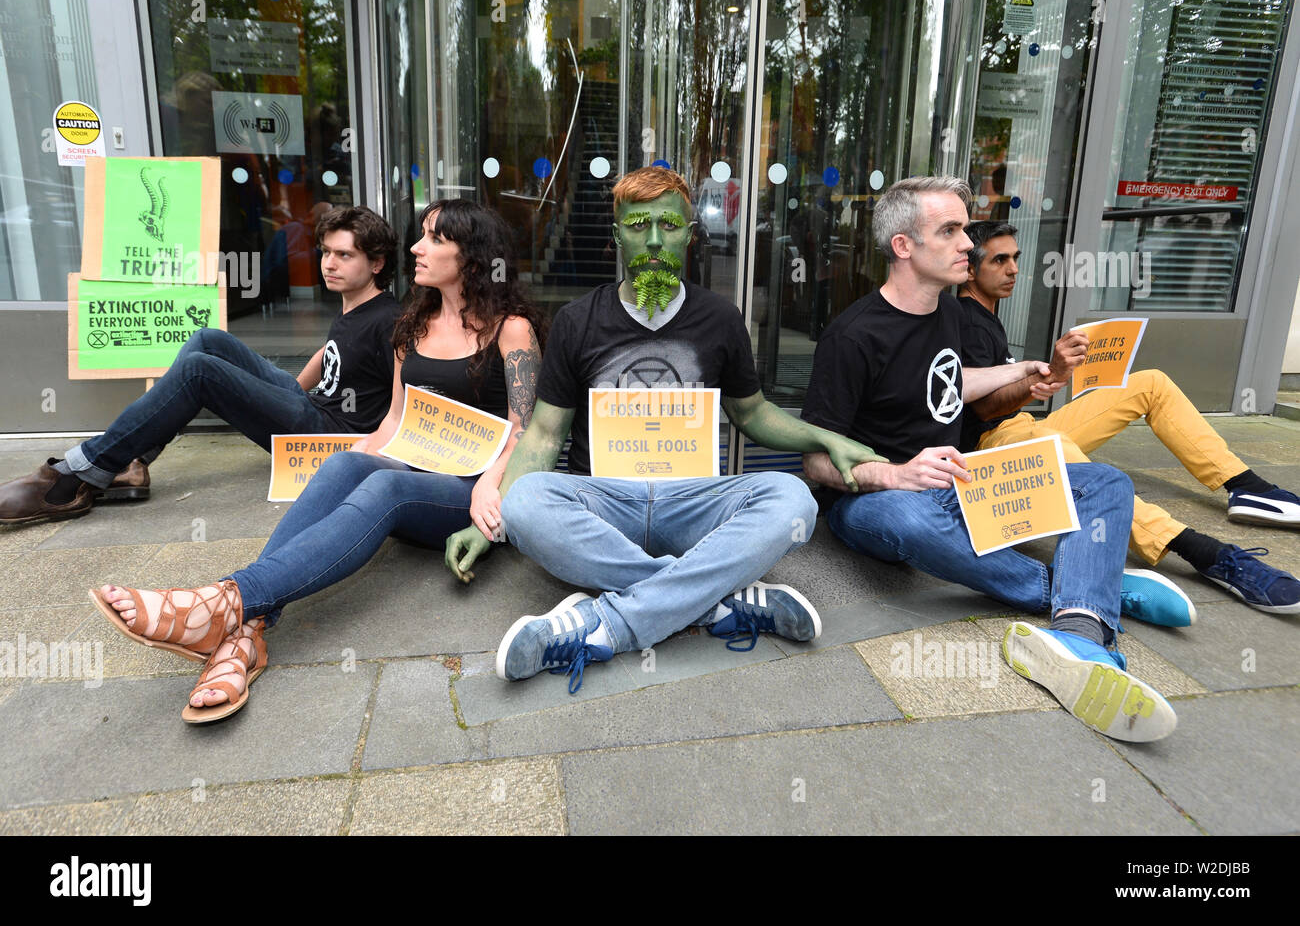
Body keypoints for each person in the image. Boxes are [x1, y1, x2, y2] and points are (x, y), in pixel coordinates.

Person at [90, 200, 544, 723]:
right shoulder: (412, 326)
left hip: (469, 494)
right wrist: (344, 461)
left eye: (434, 239)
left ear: (473, 256)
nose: (416, 248)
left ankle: (218, 608)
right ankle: (244, 633)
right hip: (414, 467)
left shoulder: (511, 329)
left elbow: (523, 429)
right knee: (348, 467)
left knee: (385, 489)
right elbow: (393, 424)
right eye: (420, 235)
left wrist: (492, 485)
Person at [444, 166, 882, 692]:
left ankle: (601, 623)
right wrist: (489, 523)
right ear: (616, 236)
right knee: (526, 502)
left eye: (670, 226)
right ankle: (714, 600)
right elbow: (542, 436)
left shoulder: (721, 319)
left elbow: (753, 414)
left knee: (792, 499)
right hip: (606, 504)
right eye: (638, 225)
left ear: (690, 235)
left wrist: (823, 437)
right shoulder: (577, 321)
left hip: (692, 502)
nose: (654, 241)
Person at [801, 175, 1196, 743]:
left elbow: (945, 382)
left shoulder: (949, 313)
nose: (968, 243)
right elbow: (815, 461)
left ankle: (1078, 635)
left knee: (1105, 482)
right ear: (904, 246)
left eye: (965, 228)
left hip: (964, 482)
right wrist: (895, 473)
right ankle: (1085, 594)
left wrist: (1022, 369)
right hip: (876, 499)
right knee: (907, 518)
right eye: (951, 230)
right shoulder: (853, 337)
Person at [959, 221, 1299, 615]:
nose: (1014, 268)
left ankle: (1246, 486)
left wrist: (1057, 372)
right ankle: (1208, 553)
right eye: (999, 260)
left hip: (1022, 425)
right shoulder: (964, 318)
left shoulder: (987, 314)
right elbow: (982, 407)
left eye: (1015, 258)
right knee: (1057, 448)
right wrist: (1045, 375)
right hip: (989, 446)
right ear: (970, 270)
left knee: (1149, 383)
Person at [0, 206, 402, 525]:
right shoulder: (354, 304)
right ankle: (135, 461)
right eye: (326, 253)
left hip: (329, 439)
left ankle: (81, 473)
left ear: (377, 263)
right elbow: (329, 352)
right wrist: (285, 392)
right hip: (308, 408)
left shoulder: (390, 321)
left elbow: (409, 391)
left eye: (344, 255)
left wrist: (372, 454)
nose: (329, 264)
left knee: (199, 371)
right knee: (207, 339)